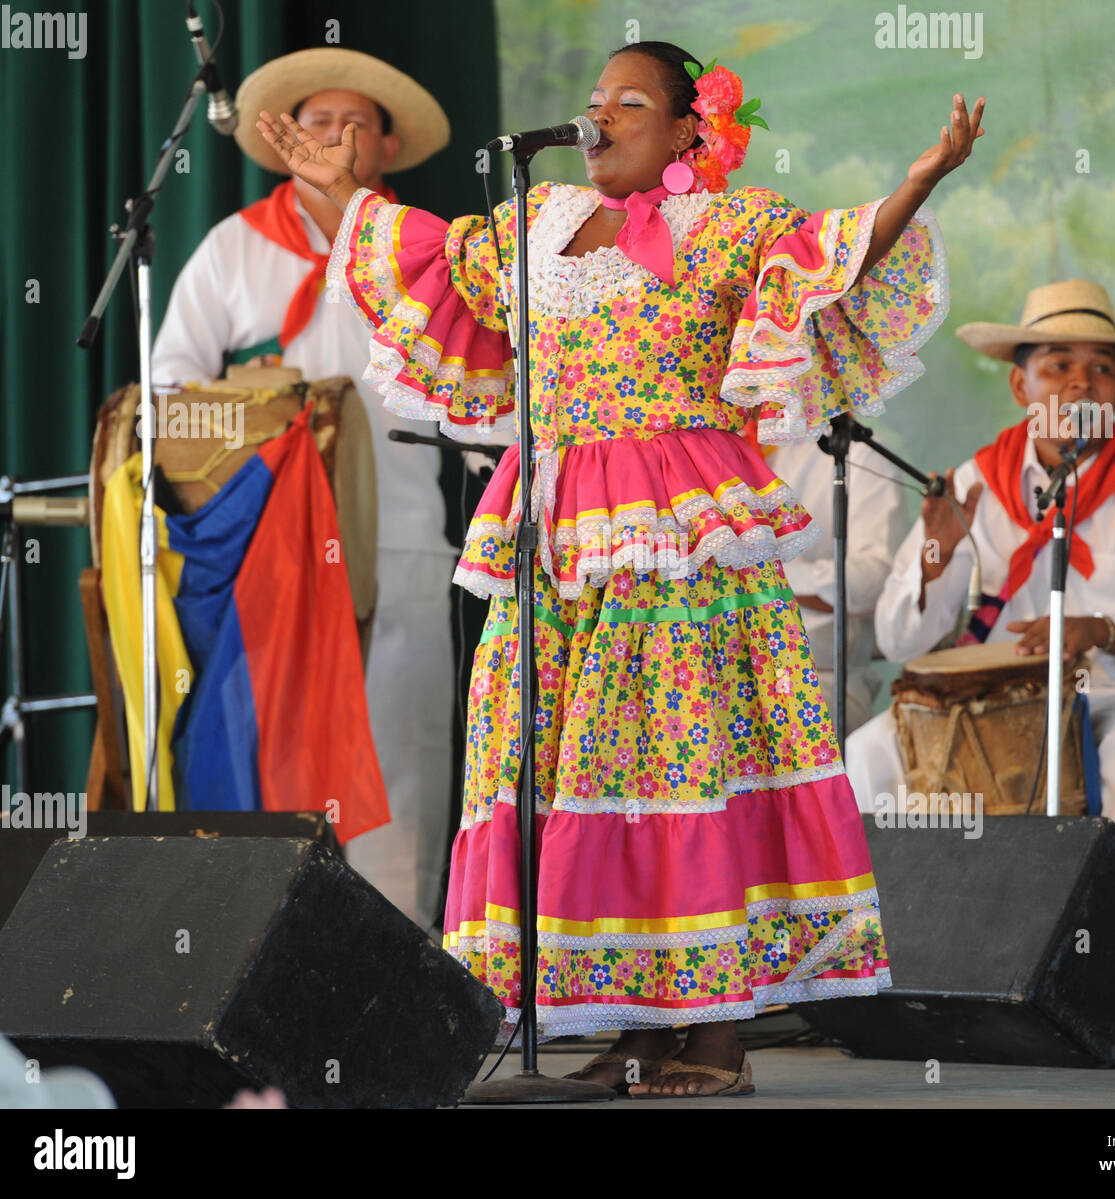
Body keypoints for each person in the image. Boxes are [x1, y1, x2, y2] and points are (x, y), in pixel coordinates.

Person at [259, 41, 984, 1097]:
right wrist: (348, 195)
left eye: (628, 103)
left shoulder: (732, 226)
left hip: (679, 533)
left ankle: (719, 1036)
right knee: (561, 765)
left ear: (690, 130)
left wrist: (919, 180)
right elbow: (432, 258)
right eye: (592, 102)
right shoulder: (534, 222)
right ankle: (632, 1021)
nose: (598, 117)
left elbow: (839, 254)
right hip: (554, 528)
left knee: (673, 765)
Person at [152, 49, 458, 932]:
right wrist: (256, 399)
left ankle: (397, 986)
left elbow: (481, 395)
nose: (335, 138)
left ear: (390, 146)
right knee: (278, 763)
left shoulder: (427, 250)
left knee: (401, 761)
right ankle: (268, 969)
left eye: (354, 124)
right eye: (317, 124)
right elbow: (170, 392)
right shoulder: (235, 248)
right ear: (287, 143)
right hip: (268, 553)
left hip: (399, 537)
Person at [846, 280, 1115, 866]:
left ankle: (1114, 942)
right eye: (1059, 366)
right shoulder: (975, 482)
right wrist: (936, 552)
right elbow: (901, 640)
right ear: (1020, 384)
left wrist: (1103, 630)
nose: (1082, 382)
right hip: (990, 701)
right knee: (868, 749)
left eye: (1101, 368)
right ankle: (902, 940)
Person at [767, 436, 907, 733]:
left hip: (818, 677)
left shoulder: (859, 454)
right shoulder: (702, 456)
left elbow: (875, 580)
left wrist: (761, 577)